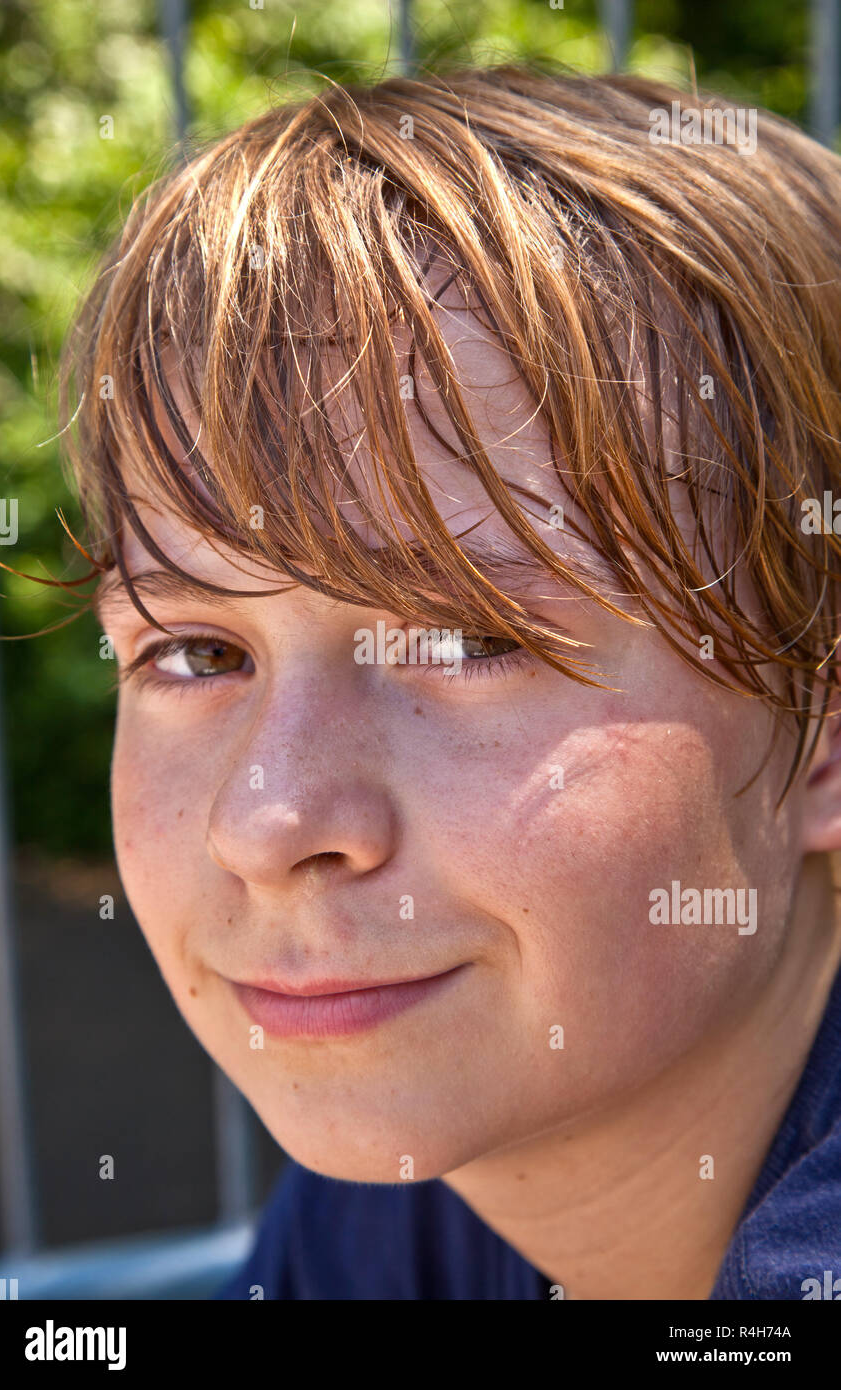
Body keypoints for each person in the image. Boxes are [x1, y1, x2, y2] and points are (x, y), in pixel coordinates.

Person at [51, 62, 841, 1299]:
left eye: (464, 636)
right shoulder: (413, 1207)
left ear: (822, 729)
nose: (267, 823)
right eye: (197, 652)